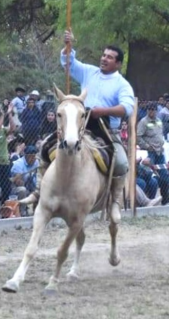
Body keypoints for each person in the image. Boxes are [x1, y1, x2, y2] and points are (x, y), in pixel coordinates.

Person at [55, 30, 135, 223]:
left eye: (110, 57)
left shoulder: (122, 84)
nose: (104, 59)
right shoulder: (89, 72)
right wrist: (68, 46)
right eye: (104, 55)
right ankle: (41, 191)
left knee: (121, 163)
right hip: (81, 128)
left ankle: (114, 202)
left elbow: (127, 108)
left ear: (118, 63)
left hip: (106, 131)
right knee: (47, 148)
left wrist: (103, 111)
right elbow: (68, 64)